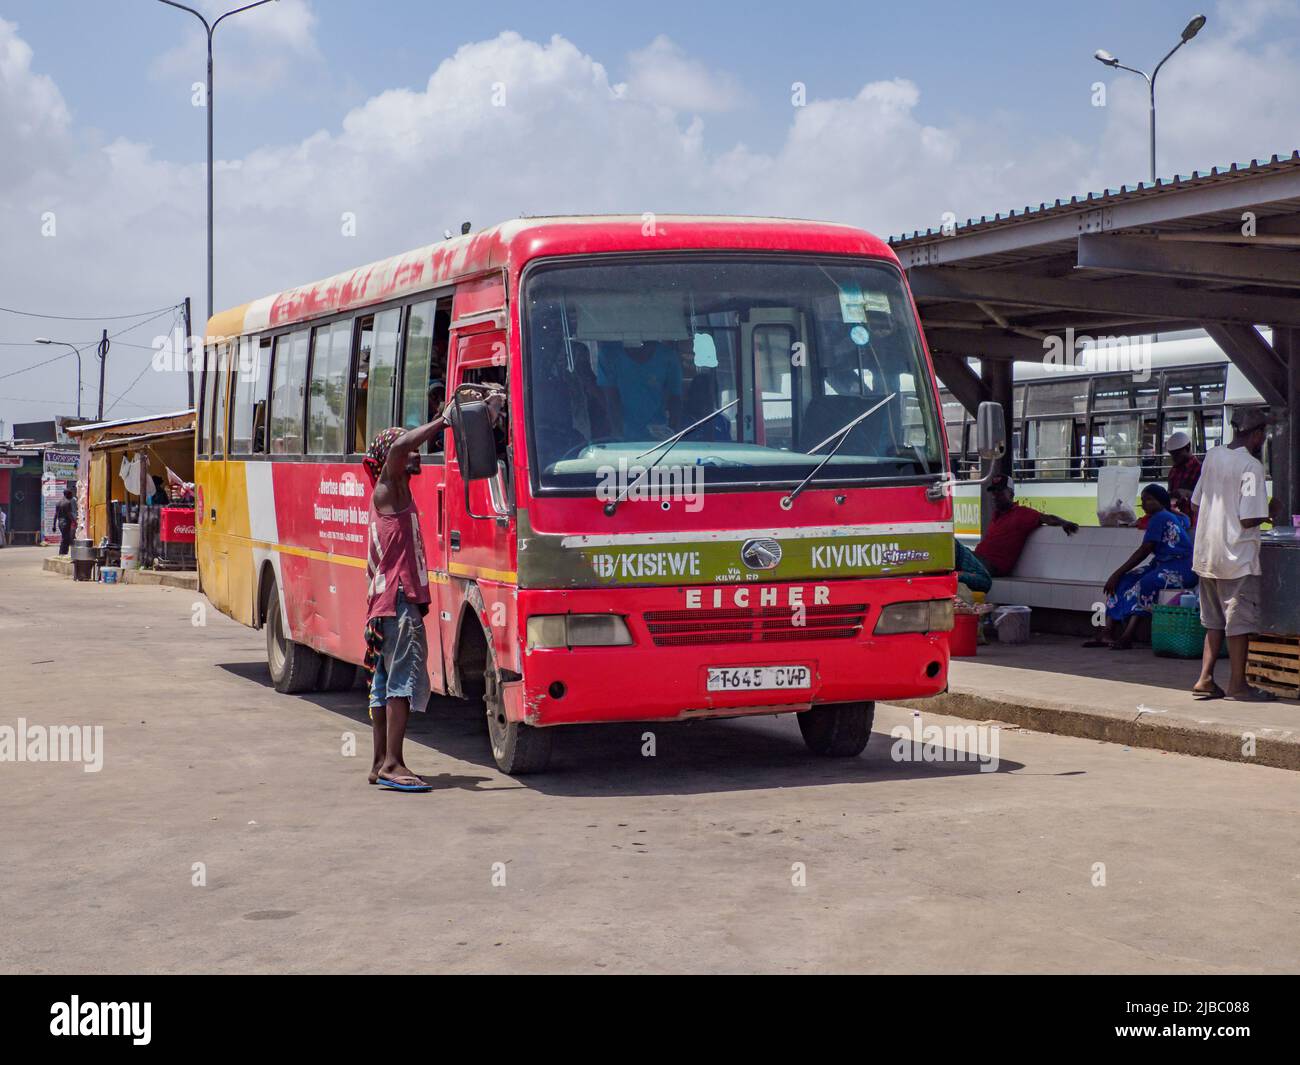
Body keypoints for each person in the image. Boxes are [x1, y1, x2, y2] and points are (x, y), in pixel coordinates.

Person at [361, 391, 504, 791]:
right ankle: (393, 764)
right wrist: (443, 419)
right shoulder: (389, 489)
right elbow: (405, 445)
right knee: (402, 683)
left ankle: (378, 763)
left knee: (382, 683)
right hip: (398, 600)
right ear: (392, 459)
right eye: (408, 450)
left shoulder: (394, 493)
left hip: (384, 603)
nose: (418, 455)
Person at [1189, 408, 1280, 702]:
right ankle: (1238, 685)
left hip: (1207, 554)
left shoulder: (1213, 456)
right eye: (1262, 435)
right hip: (1235, 558)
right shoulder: (1250, 467)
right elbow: (1248, 517)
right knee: (1238, 623)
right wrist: (1270, 512)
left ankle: (1204, 679)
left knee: (1213, 622)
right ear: (1256, 435)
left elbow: (1195, 503)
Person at [1086, 484, 1196, 650]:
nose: (1144, 504)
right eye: (1143, 500)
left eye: (1149, 499)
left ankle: (1128, 635)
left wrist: (1115, 573)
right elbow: (1186, 520)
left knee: (1145, 583)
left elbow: (1145, 550)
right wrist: (1118, 576)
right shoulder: (1169, 515)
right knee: (1125, 580)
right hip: (1162, 564)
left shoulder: (1159, 517)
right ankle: (1106, 631)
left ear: (1160, 501)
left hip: (1182, 568)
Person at [973, 474, 1079, 578]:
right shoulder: (997, 516)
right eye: (993, 492)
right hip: (981, 561)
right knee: (958, 552)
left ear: (1011, 494)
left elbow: (1046, 518)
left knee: (958, 552)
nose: (995, 496)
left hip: (992, 565)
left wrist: (1064, 522)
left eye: (1000, 492)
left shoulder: (1022, 514)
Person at [597, 340, 682, 439]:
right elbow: (610, 400)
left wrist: (673, 435)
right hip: (622, 441)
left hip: (660, 438)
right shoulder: (609, 353)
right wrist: (617, 434)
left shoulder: (668, 356)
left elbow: (675, 399)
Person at [1164, 430, 1201, 521]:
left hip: (1194, 521)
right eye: (1171, 455)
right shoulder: (1173, 471)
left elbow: (1207, 499)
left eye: (1177, 454)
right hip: (1176, 521)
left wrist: (1187, 493)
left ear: (1187, 448)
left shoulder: (1201, 469)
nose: (1173, 458)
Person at [53, 488, 76, 555]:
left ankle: (62, 553)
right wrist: (74, 521)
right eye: (71, 494)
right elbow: (69, 514)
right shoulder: (68, 502)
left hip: (60, 523)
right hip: (66, 522)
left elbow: (56, 515)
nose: (72, 495)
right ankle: (63, 553)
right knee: (66, 539)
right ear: (68, 494)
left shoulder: (58, 503)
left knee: (64, 538)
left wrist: (54, 525)